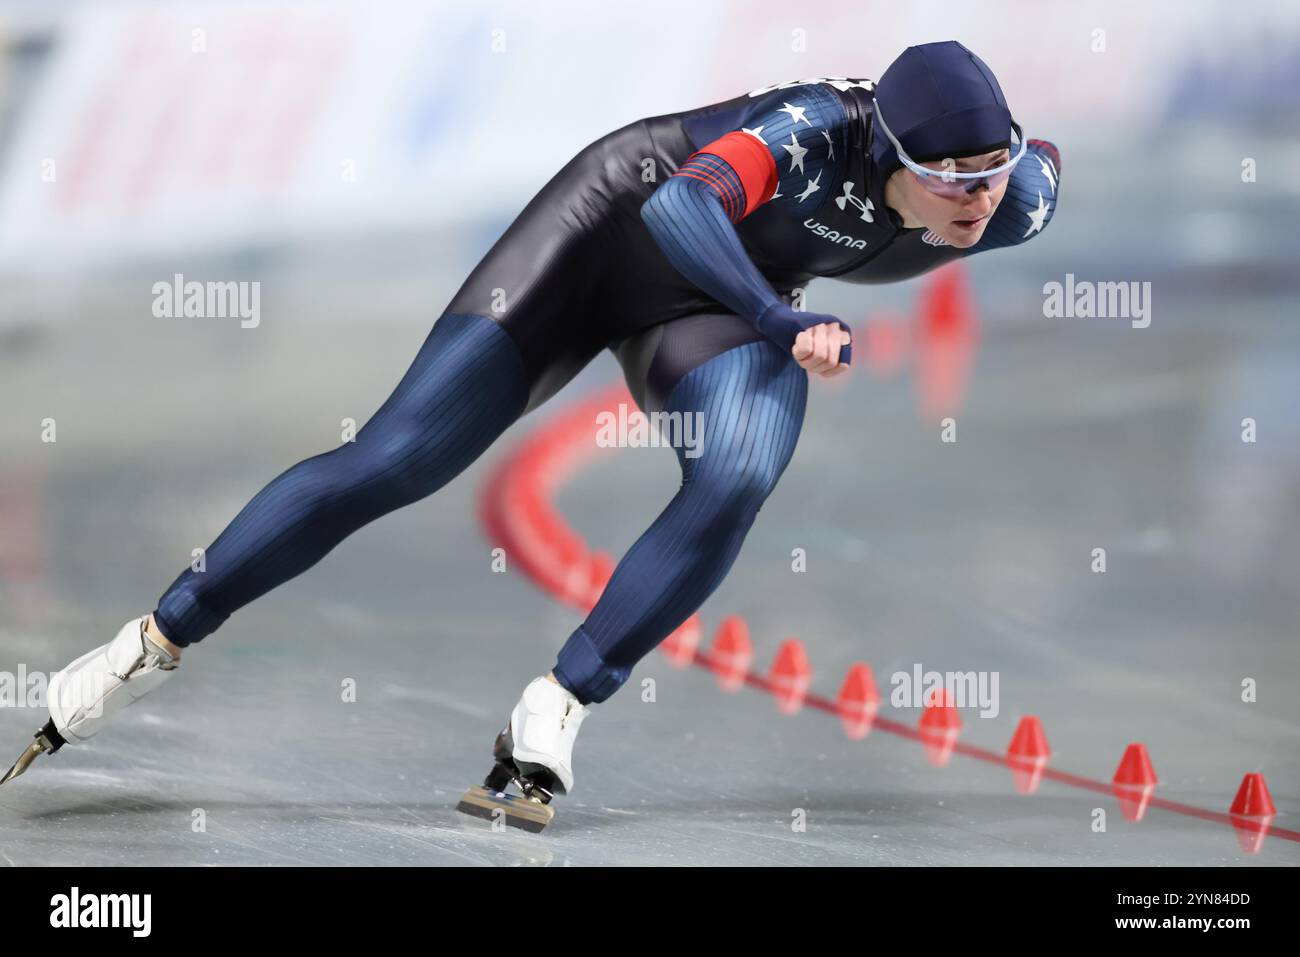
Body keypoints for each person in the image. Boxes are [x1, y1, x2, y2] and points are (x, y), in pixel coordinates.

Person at [3, 42, 1060, 814]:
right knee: (396, 459)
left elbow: (1031, 170)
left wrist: (766, 311)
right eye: (950, 179)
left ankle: (557, 703)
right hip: (608, 229)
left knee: (737, 470)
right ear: (889, 151)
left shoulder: (1017, 199)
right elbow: (681, 209)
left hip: (720, 306)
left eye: (991, 171)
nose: (976, 200)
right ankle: (156, 638)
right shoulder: (808, 131)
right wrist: (782, 320)